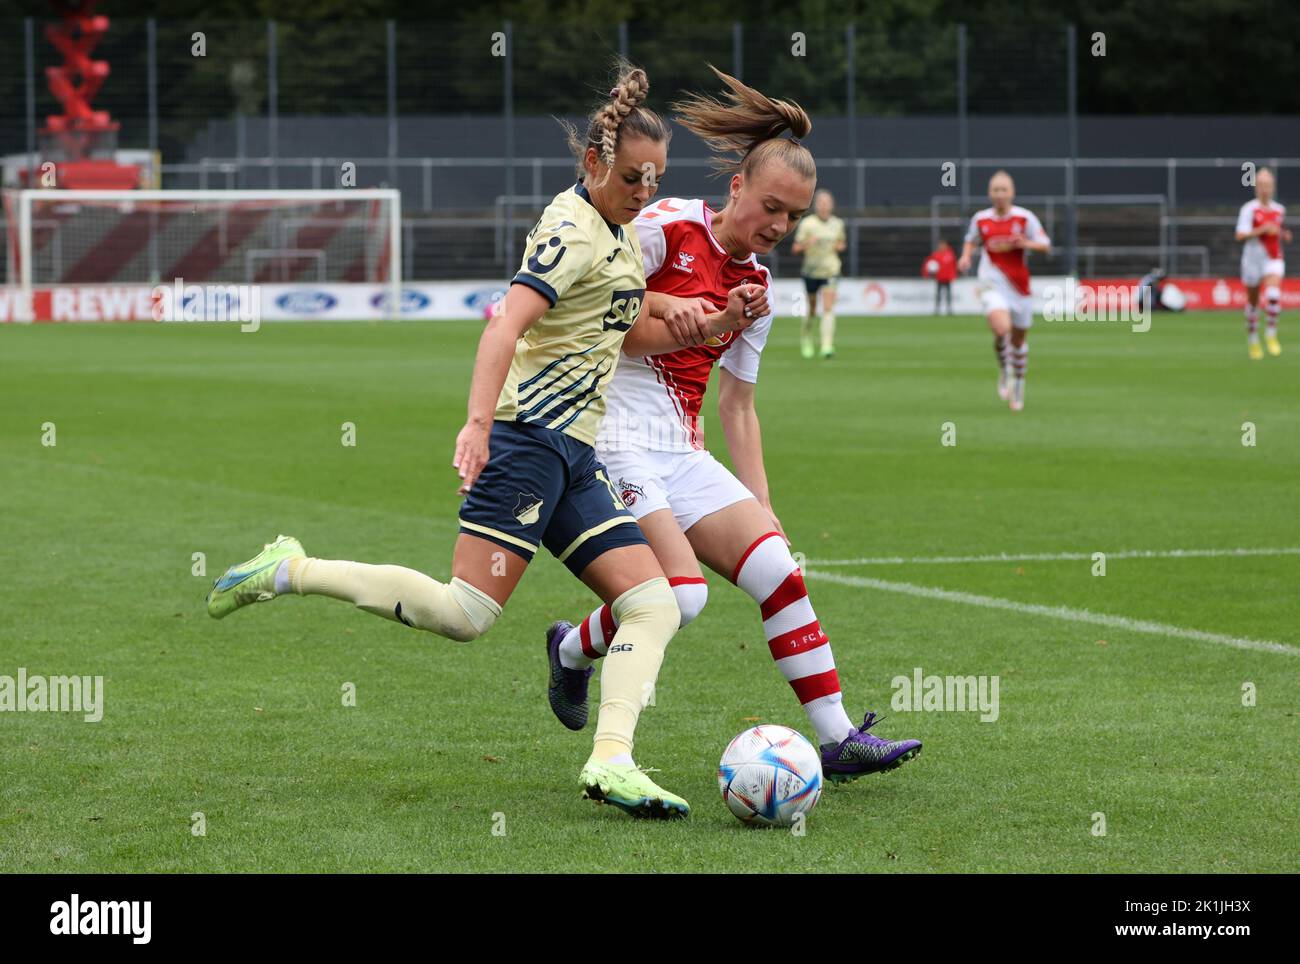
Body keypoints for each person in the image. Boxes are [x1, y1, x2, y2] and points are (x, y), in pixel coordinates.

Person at [204, 65, 743, 820]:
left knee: (653, 602)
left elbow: (628, 333)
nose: (644, 189)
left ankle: (612, 762)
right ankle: (289, 569)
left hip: (572, 455)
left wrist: (714, 322)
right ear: (593, 164)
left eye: (655, 178)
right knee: (464, 615)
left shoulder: (620, 236)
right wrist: (479, 424)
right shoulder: (571, 229)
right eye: (631, 176)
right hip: (527, 441)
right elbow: (506, 324)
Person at [542, 66, 922, 783]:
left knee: (780, 568)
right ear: (737, 187)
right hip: (614, 438)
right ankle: (571, 652)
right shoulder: (664, 228)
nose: (779, 227)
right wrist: (693, 321)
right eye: (771, 207)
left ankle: (837, 739)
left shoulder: (764, 290)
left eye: (793, 217)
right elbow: (615, 329)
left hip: (681, 451)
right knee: (681, 597)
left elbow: (738, 405)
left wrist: (763, 505)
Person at [957, 171, 1051, 412]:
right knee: (1002, 329)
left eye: (1004, 190)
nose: (999, 194)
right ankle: (1004, 369)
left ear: (1012, 192)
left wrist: (1025, 244)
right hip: (991, 283)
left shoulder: (1024, 218)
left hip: (1019, 287)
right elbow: (971, 240)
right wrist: (966, 256)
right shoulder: (981, 219)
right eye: (995, 190)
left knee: (1019, 341)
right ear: (989, 193)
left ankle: (1018, 382)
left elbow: (1045, 245)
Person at [1236, 167, 1289, 359]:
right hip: (1252, 261)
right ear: (1256, 187)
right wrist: (1261, 230)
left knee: (1274, 293)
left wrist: (1283, 234)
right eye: (1261, 185)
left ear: (1273, 187)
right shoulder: (1248, 209)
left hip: (1272, 258)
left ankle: (1271, 334)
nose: (1265, 189)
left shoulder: (1279, 210)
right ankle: (1253, 339)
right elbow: (1240, 235)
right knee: (1253, 302)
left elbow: (1280, 230)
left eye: (1268, 185)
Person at [792, 189, 846, 359]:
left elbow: (841, 244)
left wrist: (839, 246)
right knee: (813, 309)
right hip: (811, 271)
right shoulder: (808, 224)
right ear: (816, 205)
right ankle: (806, 336)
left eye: (827, 202)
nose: (824, 206)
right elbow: (796, 248)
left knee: (829, 307)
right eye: (821, 202)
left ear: (832, 205)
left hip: (831, 270)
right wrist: (809, 243)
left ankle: (827, 345)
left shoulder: (837, 224)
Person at [923, 239, 957, 315]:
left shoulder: (950, 254)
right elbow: (929, 264)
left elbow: (953, 266)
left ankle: (949, 310)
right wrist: (927, 274)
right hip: (939, 278)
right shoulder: (936, 255)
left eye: (943, 245)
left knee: (948, 295)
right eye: (940, 245)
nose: (942, 246)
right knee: (938, 295)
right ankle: (937, 310)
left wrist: (954, 275)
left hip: (948, 278)